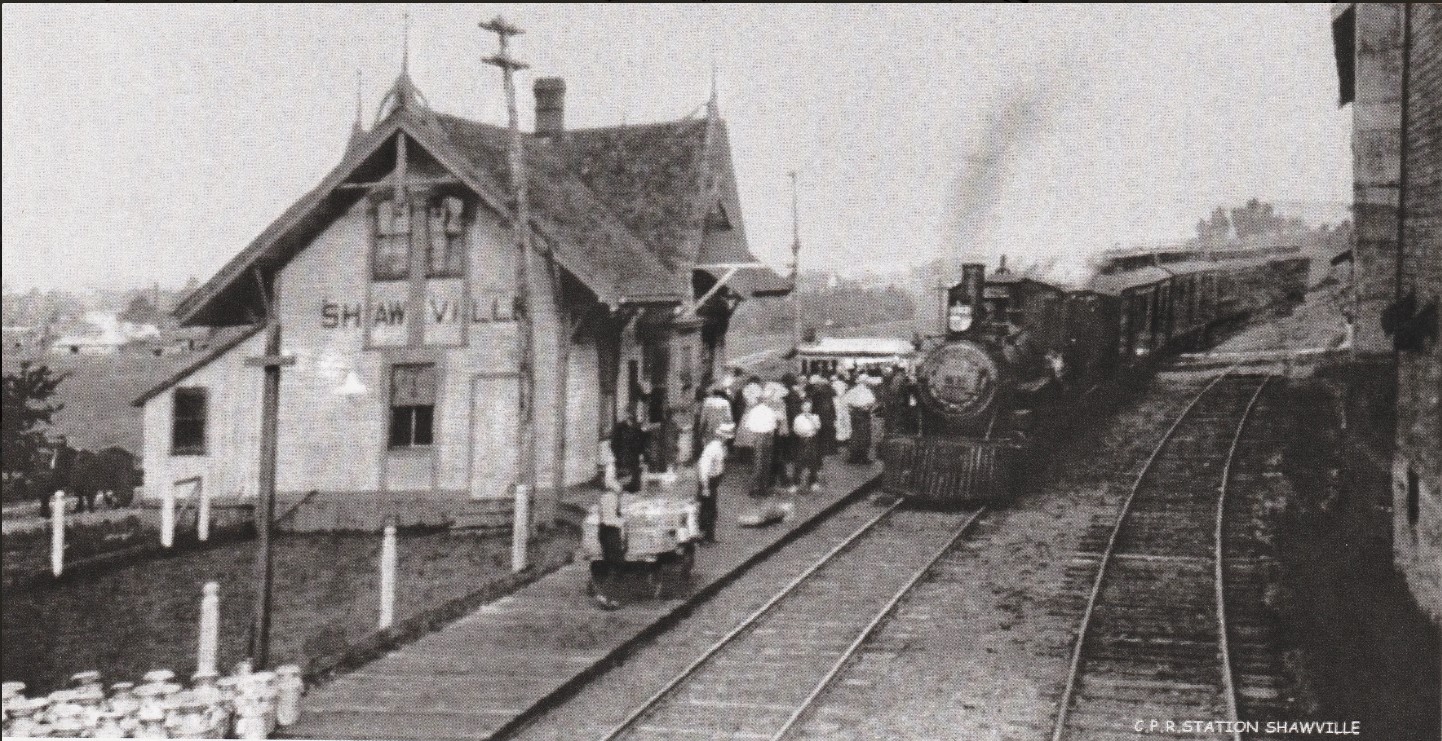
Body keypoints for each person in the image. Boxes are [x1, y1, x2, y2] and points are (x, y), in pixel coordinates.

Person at [589, 483, 626, 610]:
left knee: (610, 564)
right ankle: (605, 595)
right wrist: (622, 522)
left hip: (604, 533)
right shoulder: (611, 498)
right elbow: (609, 520)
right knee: (618, 565)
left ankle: (610, 598)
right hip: (611, 533)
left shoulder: (605, 496)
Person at [695, 423, 733, 543]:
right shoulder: (713, 448)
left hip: (713, 481)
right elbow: (704, 467)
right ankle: (705, 536)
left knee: (710, 509)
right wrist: (705, 486)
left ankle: (707, 535)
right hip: (708, 481)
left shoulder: (721, 447)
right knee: (708, 509)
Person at [741, 398, 779, 498]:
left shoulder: (754, 411)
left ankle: (754, 489)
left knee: (758, 463)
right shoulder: (770, 411)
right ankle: (762, 489)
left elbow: (748, 426)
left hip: (758, 436)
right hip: (767, 436)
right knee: (765, 464)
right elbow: (774, 426)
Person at [843, 376, 878, 464]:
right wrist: (867, 407)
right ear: (865, 382)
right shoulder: (866, 391)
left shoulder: (853, 390)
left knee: (855, 434)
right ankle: (863, 457)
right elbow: (872, 402)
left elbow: (845, 401)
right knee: (864, 435)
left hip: (854, 414)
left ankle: (854, 457)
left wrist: (851, 408)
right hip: (863, 414)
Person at [610, 411, 646, 493]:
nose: (629, 418)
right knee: (623, 472)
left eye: (631, 417)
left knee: (634, 471)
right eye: (628, 417)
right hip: (623, 454)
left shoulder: (637, 428)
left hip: (634, 454)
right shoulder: (619, 427)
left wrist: (641, 452)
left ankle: (634, 487)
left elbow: (641, 441)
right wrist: (617, 454)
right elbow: (614, 442)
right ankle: (623, 488)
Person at [792, 399, 823, 492]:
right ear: (802, 407)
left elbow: (818, 427)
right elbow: (795, 429)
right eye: (805, 406)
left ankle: (813, 482)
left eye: (809, 406)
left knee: (813, 461)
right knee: (799, 461)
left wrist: (811, 419)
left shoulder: (815, 416)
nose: (807, 408)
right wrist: (802, 433)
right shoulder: (798, 418)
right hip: (802, 441)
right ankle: (795, 483)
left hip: (812, 440)